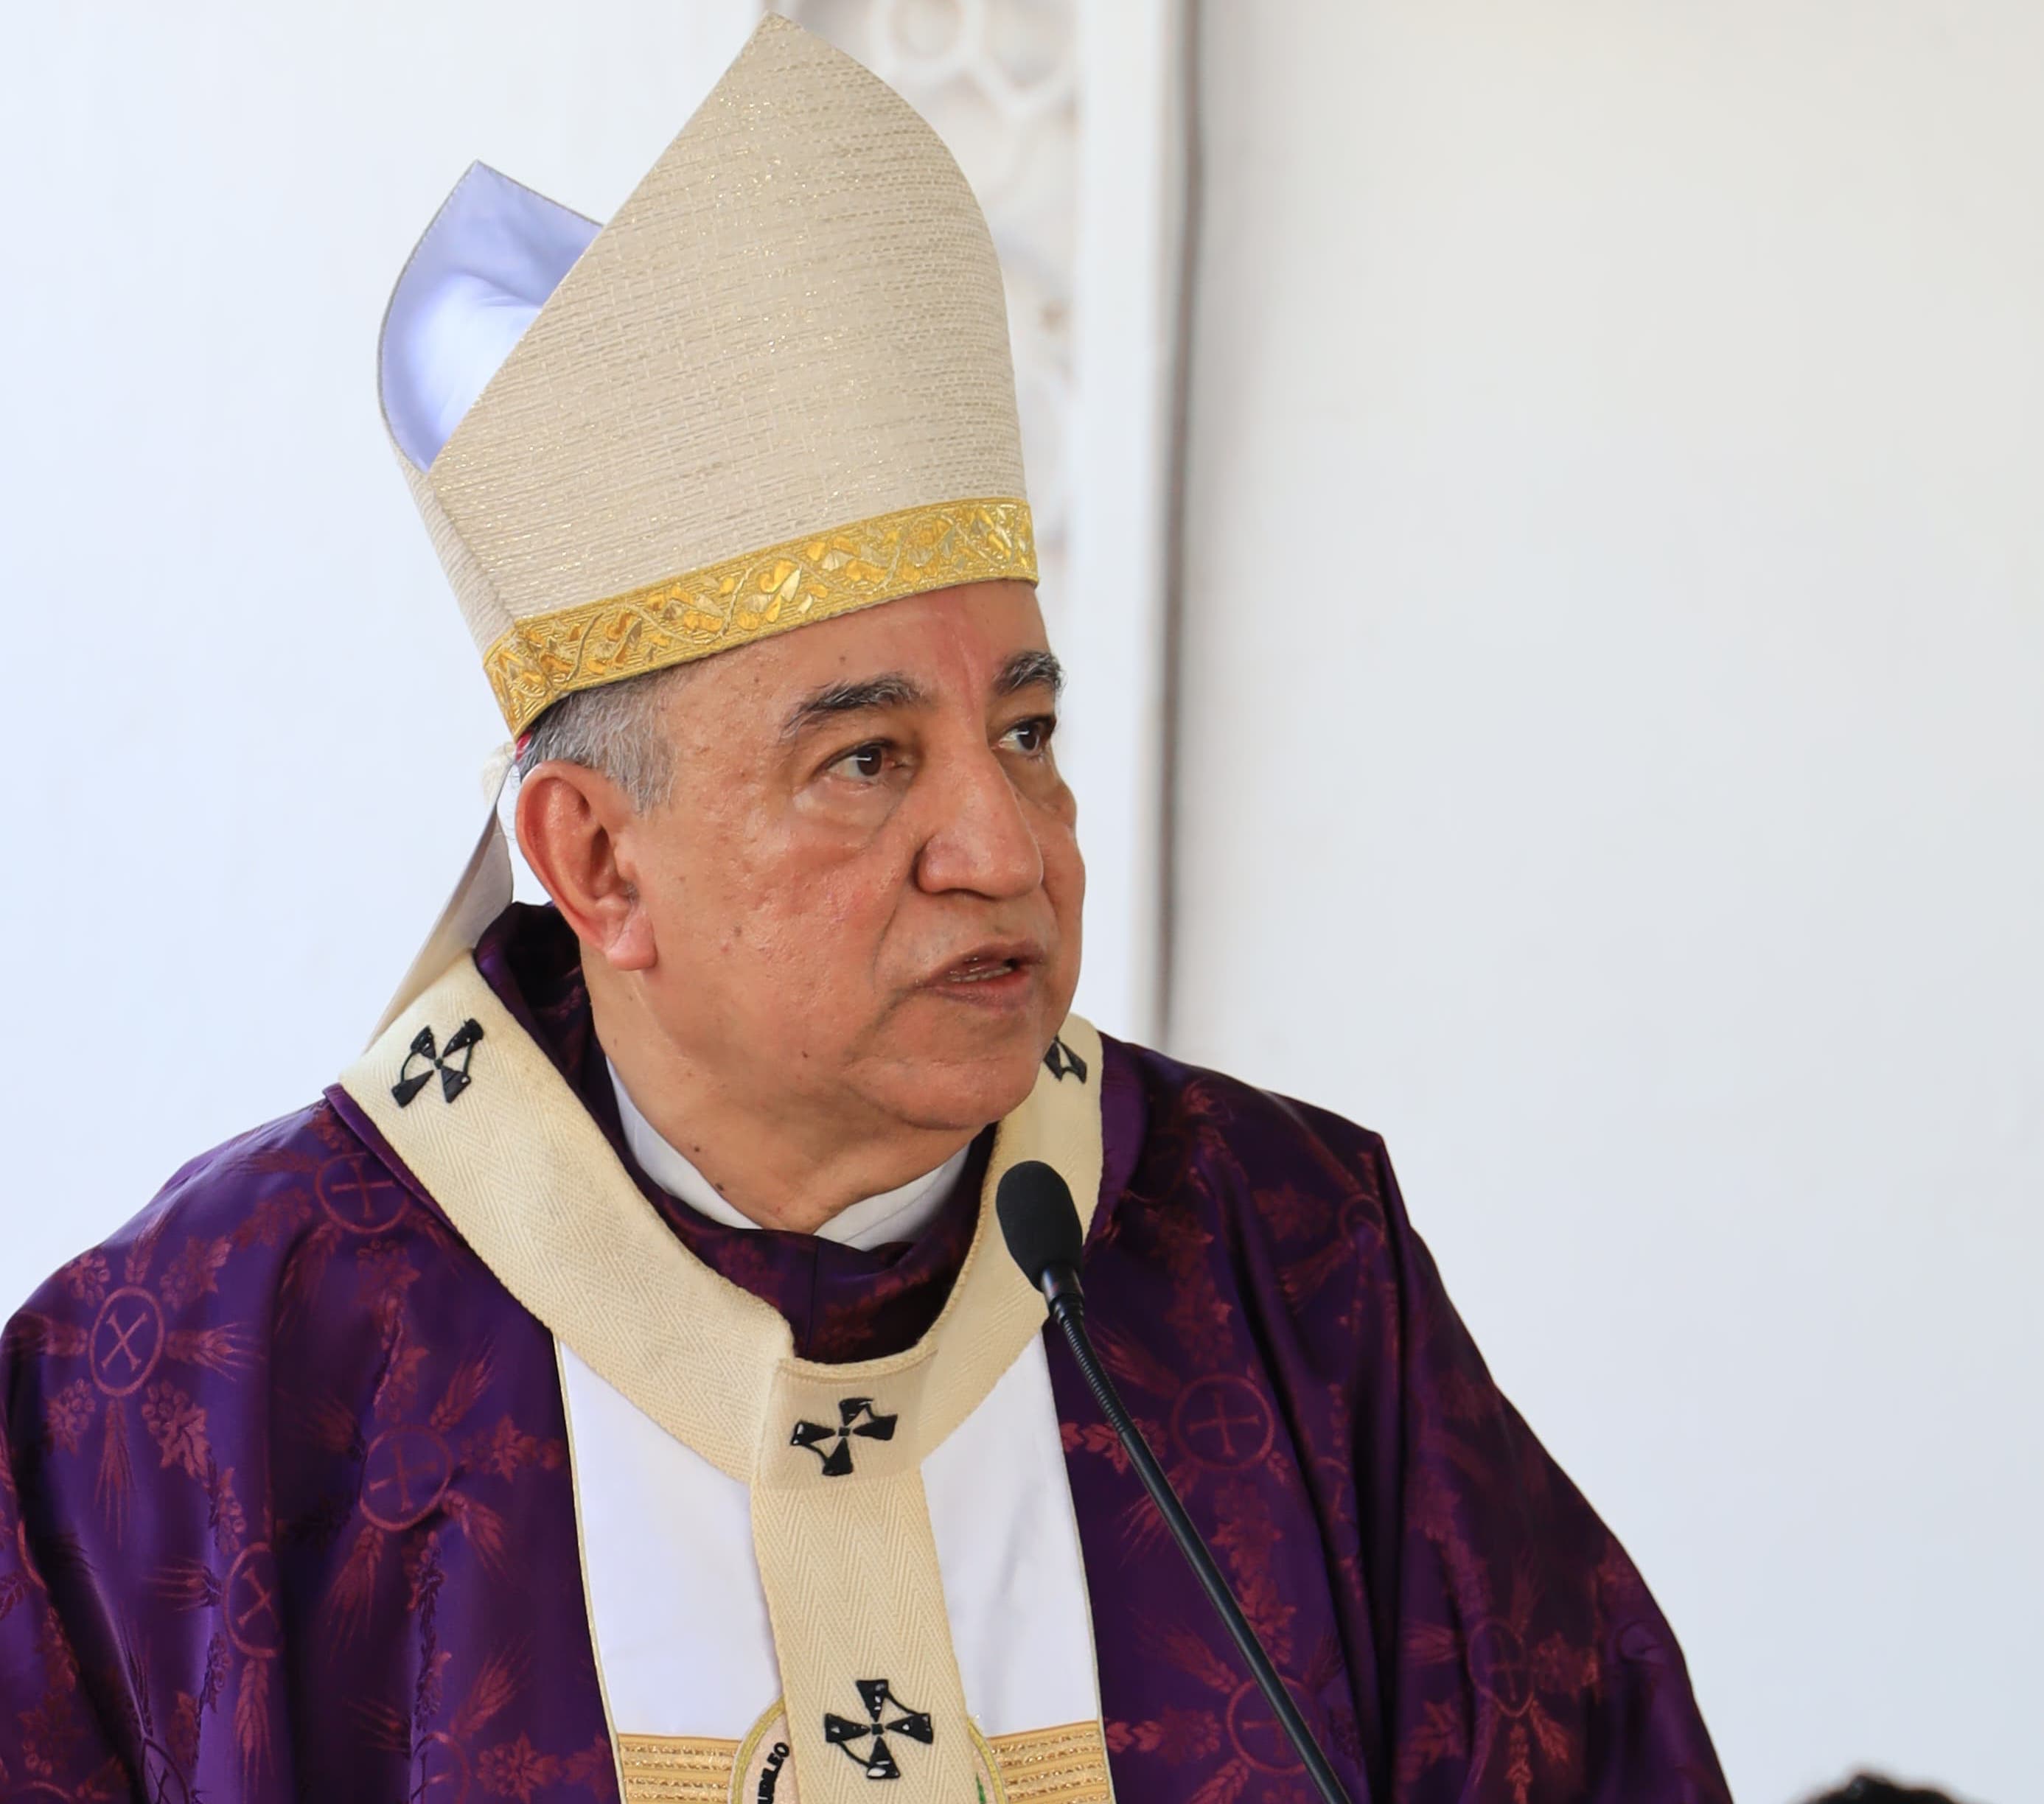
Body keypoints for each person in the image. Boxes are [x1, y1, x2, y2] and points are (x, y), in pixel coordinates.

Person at [0, 18, 1730, 1803]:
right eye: (867, 763)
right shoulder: (189, 1395)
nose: (1007, 844)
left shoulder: (1284, 1269)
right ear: (595, 862)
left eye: (1027, 731)